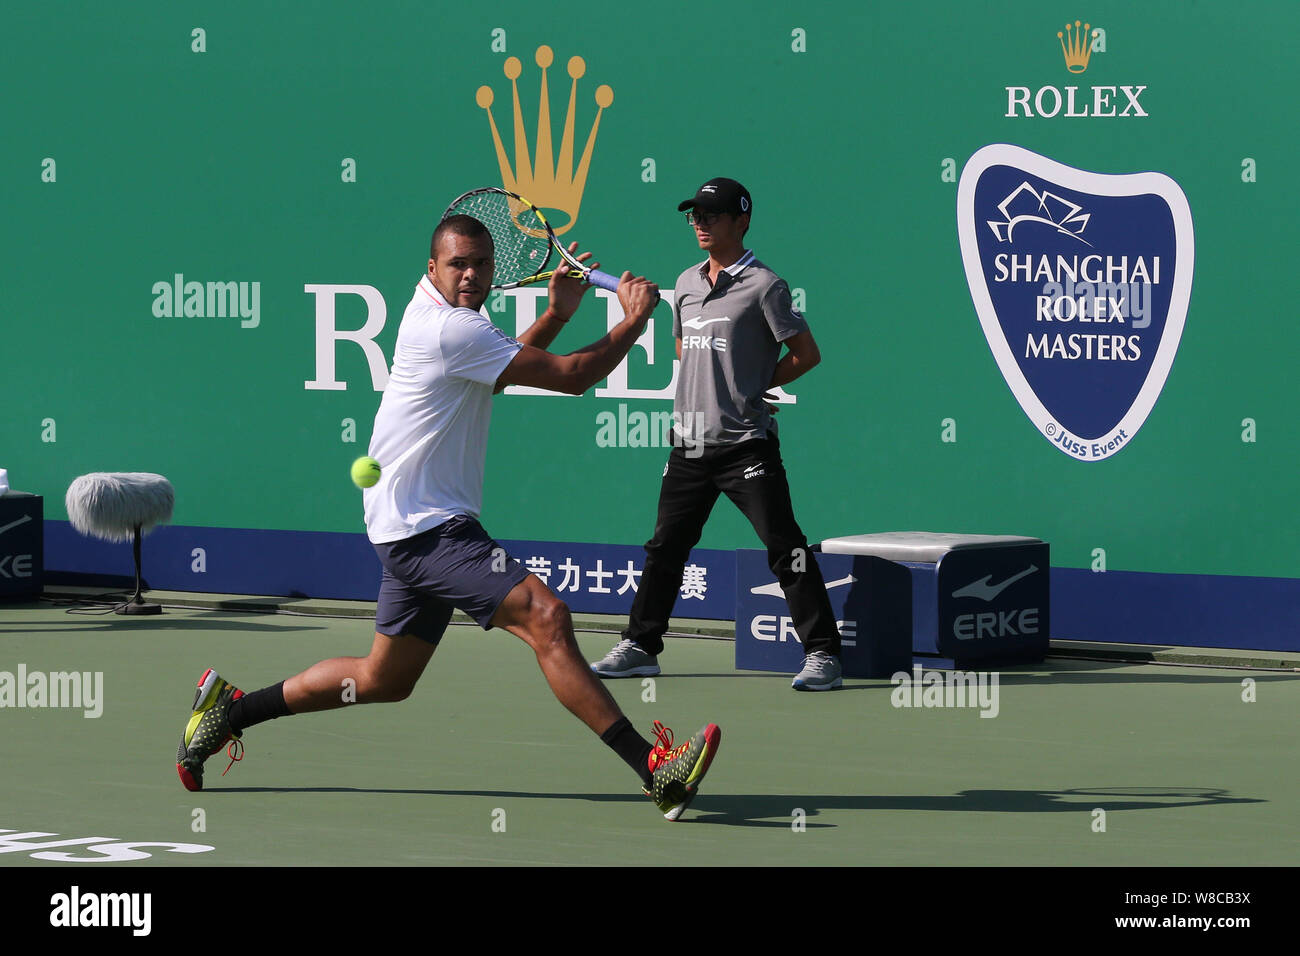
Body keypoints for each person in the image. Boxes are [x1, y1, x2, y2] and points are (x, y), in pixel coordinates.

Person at [175, 214, 721, 821]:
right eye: (458, 264)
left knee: (384, 679)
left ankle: (230, 711)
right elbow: (573, 378)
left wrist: (562, 314)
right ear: (432, 267)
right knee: (547, 617)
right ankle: (655, 771)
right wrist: (635, 318)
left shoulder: (450, 323)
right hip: (429, 529)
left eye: (481, 265)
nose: (471, 275)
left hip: (404, 524)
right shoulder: (449, 329)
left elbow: (499, 376)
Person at [591, 177, 843, 691]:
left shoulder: (765, 286)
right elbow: (686, 352)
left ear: (742, 220)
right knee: (664, 549)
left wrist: (753, 384)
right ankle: (641, 646)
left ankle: (822, 655)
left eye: (712, 214)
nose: (700, 223)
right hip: (687, 445)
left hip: (745, 445)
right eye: (695, 215)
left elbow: (806, 354)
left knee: (785, 547)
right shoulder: (684, 283)